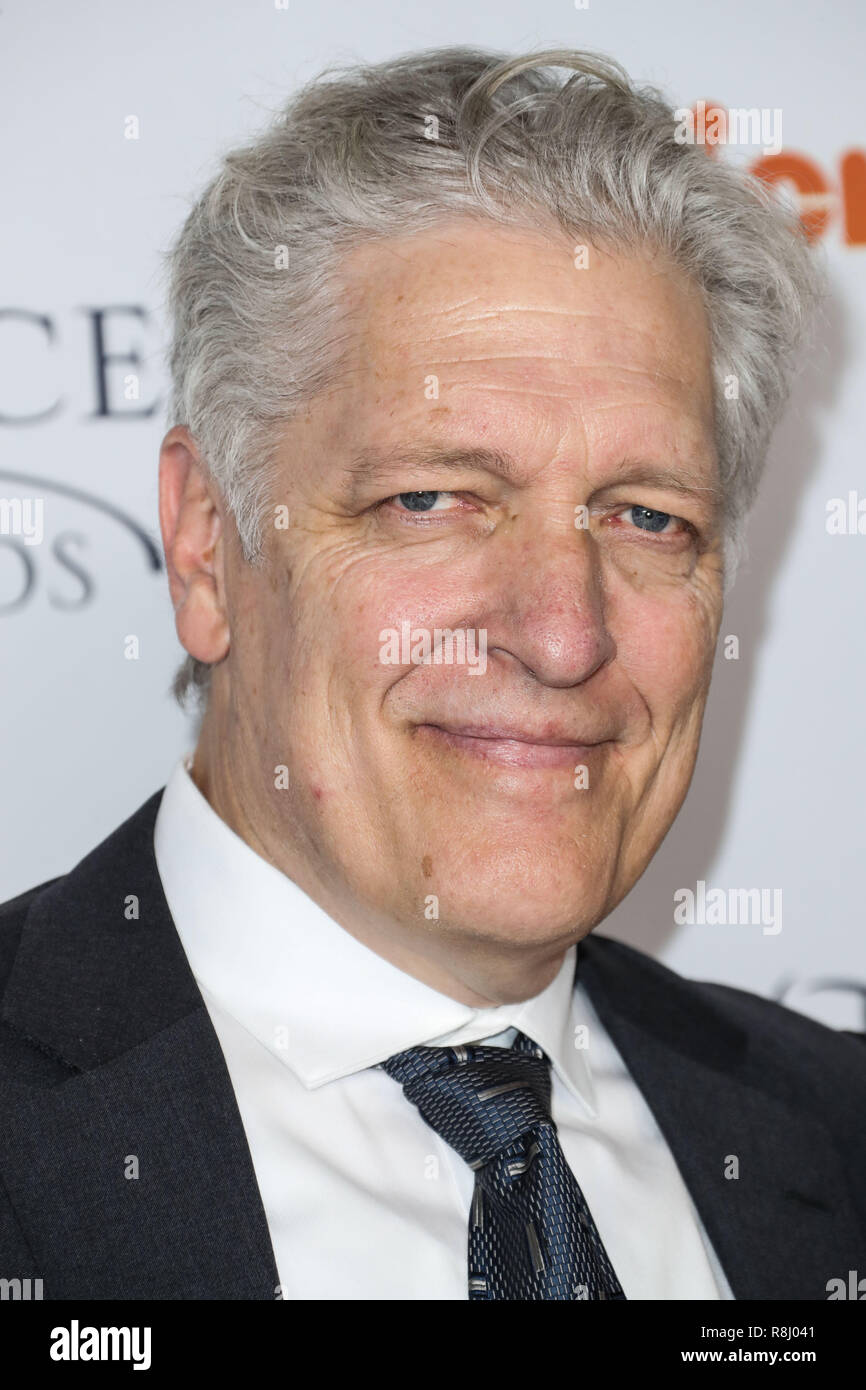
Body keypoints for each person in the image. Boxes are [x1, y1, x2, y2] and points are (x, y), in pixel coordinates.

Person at [1, 45, 863, 1302]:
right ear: (204, 550)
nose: (562, 634)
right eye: (432, 498)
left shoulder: (832, 1131)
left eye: (643, 516)